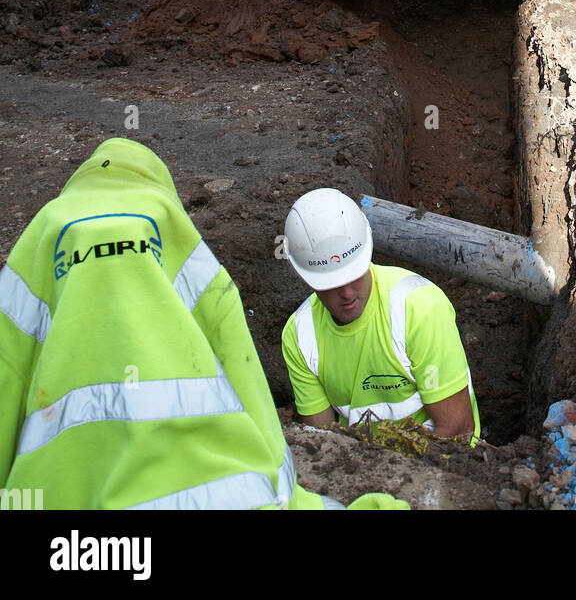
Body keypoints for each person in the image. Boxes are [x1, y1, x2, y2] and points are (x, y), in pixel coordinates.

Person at [0, 138, 405, 510]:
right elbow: (241, 369)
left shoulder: (39, 240)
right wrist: (280, 491)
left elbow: (7, 378)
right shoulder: (172, 231)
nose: (346, 294)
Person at [281, 189, 480, 442]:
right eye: (331, 284)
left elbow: (457, 430)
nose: (347, 292)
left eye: (354, 274)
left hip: (441, 464)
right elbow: (322, 445)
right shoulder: (300, 336)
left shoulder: (418, 308)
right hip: (364, 468)